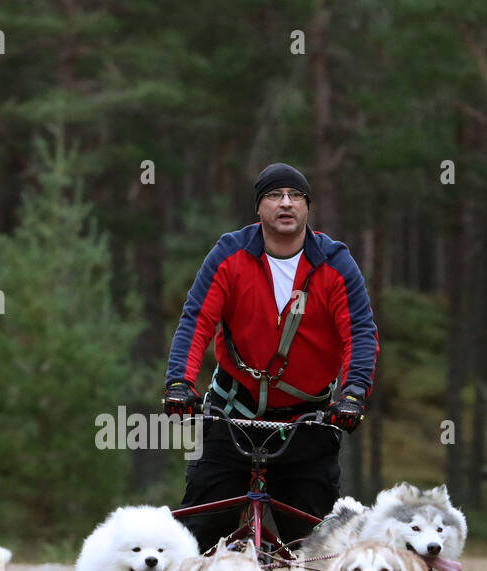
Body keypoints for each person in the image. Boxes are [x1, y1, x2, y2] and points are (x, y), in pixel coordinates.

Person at [161, 162, 378, 551]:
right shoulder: (230, 254)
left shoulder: (335, 263)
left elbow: (360, 333)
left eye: (295, 196)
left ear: (308, 207)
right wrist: (179, 382)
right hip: (231, 413)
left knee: (318, 548)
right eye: (274, 196)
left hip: (307, 420)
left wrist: (354, 393)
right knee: (198, 531)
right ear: (258, 208)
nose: (285, 203)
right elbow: (197, 320)